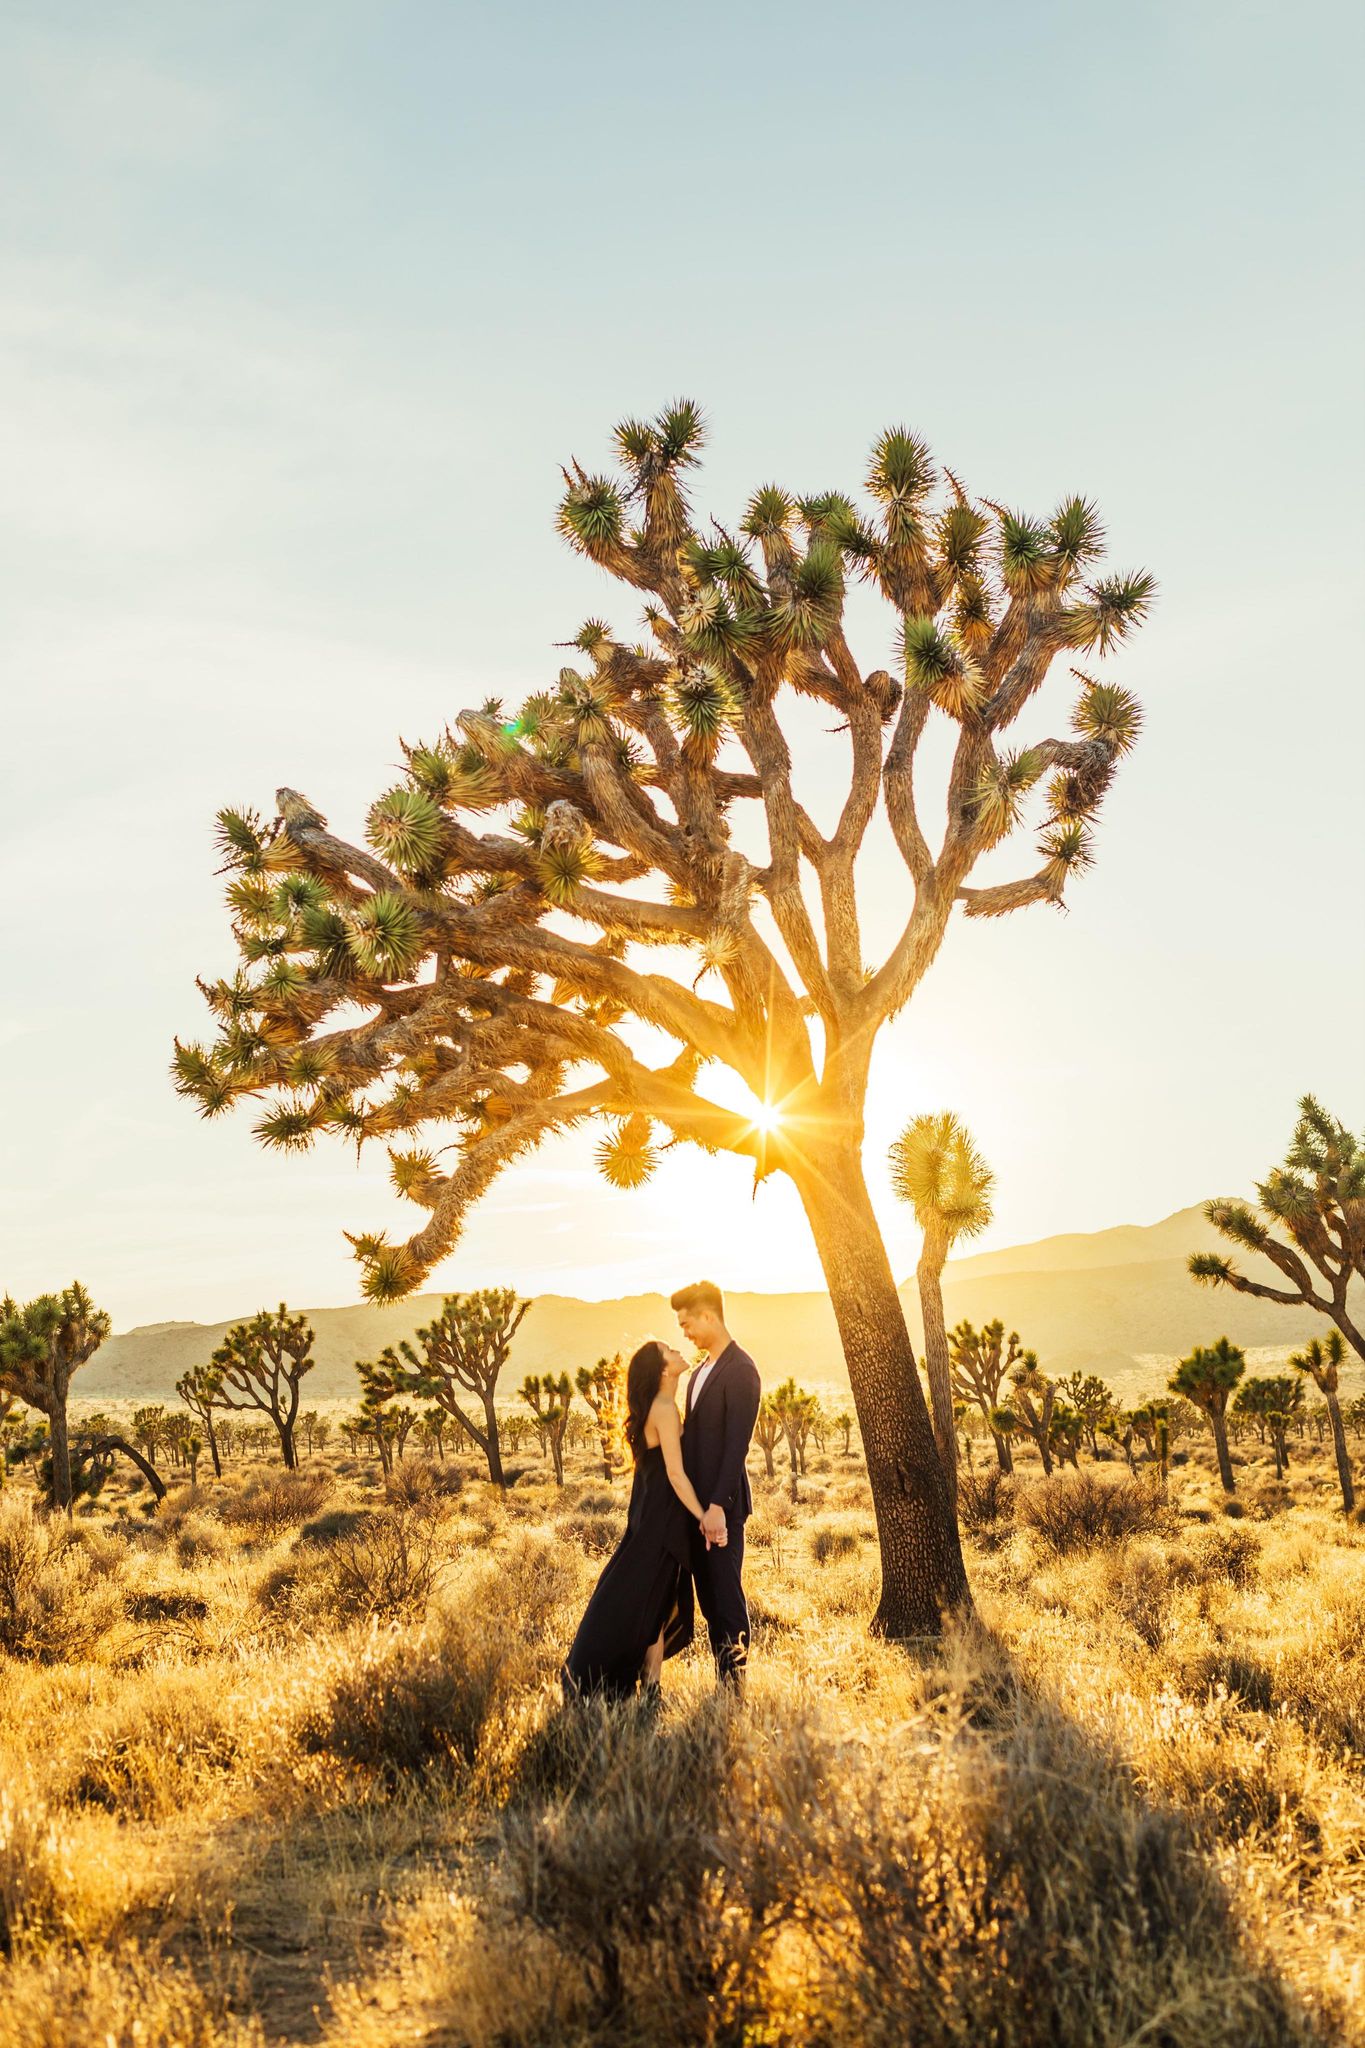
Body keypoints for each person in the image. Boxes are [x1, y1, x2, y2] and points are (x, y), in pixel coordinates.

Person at [561, 1339, 715, 1702]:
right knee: (651, 1604)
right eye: (670, 1351)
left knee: (650, 1602)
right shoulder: (664, 1408)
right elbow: (675, 1475)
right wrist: (704, 1515)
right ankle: (648, 1691)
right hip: (661, 1523)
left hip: (651, 1518)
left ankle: (649, 1690)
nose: (679, 1352)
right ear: (663, 1370)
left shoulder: (660, 1405)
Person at [672, 1280, 762, 1690]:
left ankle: (735, 1687)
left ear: (709, 1316)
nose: (684, 1332)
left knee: (726, 1598)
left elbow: (736, 1445)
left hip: (720, 1508)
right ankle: (722, 1680)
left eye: (687, 1323)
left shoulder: (742, 1370)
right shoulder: (700, 1371)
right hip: (698, 1508)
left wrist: (716, 1506)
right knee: (708, 1598)